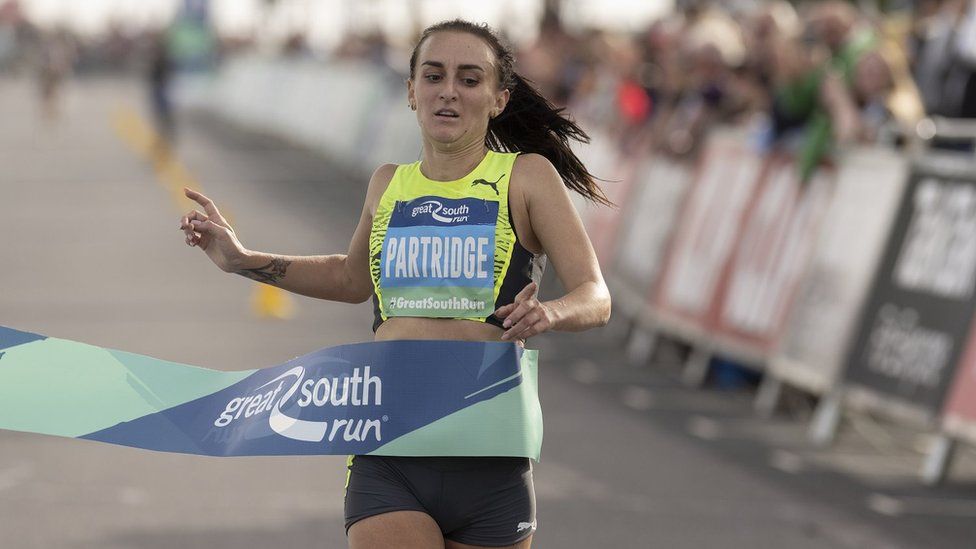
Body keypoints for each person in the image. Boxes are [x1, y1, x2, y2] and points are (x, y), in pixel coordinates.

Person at [179, 19, 611, 549]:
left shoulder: (526, 177)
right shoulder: (387, 183)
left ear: (498, 98)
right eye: (433, 75)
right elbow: (349, 277)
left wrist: (552, 313)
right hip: (390, 448)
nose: (448, 90)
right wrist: (243, 260)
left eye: (469, 79)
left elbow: (596, 295)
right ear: (411, 92)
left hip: (490, 452)